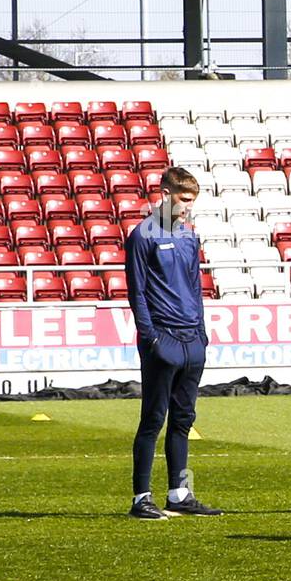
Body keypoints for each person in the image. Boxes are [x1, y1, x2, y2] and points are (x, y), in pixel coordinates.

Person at [125, 166, 222, 520]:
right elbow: (137, 293)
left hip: (192, 338)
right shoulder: (142, 236)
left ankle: (178, 493)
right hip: (162, 338)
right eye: (183, 200)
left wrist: (201, 330)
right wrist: (150, 337)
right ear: (165, 195)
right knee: (152, 419)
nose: (187, 208)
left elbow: (195, 287)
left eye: (192, 202)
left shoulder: (188, 236)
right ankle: (141, 498)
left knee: (183, 418)